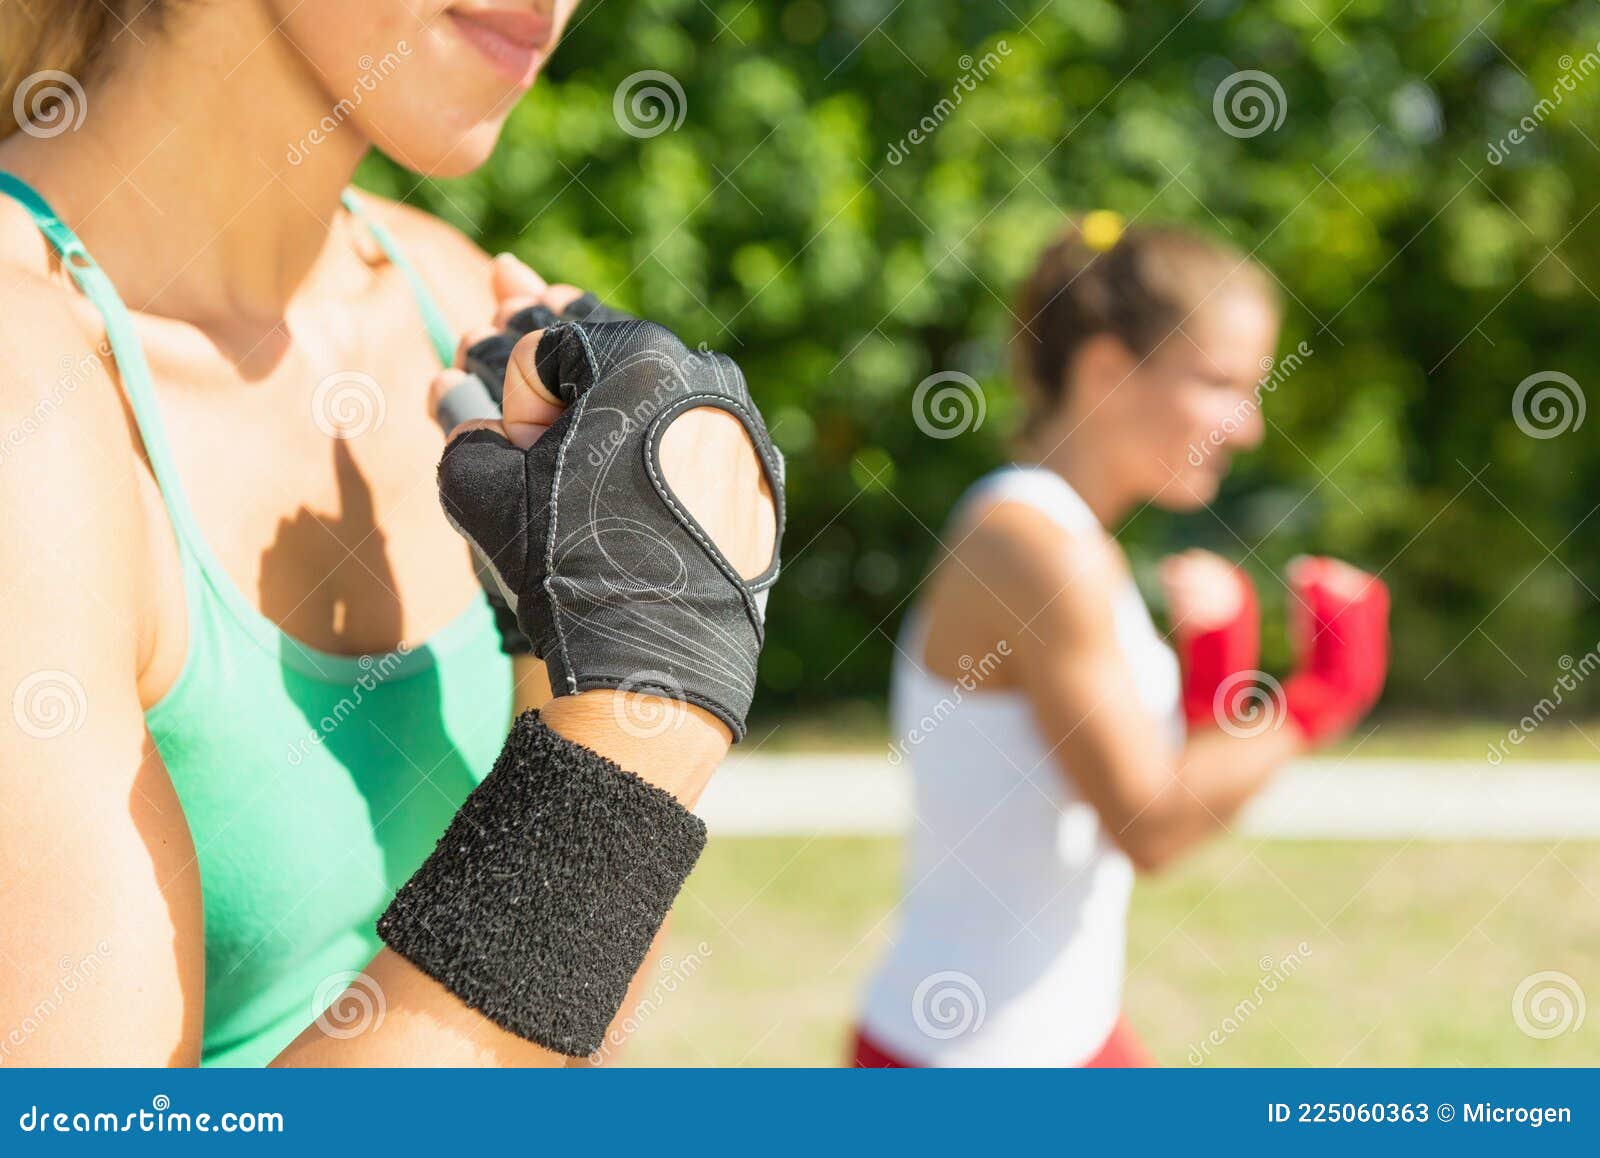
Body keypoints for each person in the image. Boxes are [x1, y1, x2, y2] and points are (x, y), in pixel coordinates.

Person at [0, 0, 780, 1066]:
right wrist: (636, 744)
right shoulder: (26, 398)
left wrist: (595, 671)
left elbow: (557, 1053)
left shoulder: (453, 302)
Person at [853, 215, 1389, 1068]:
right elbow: (1151, 825)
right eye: (1221, 384)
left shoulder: (1060, 537)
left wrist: (1220, 684)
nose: (1246, 426)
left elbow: (1134, 782)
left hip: (1064, 1035)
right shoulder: (1035, 550)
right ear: (1107, 370)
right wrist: (1325, 691)